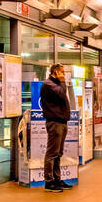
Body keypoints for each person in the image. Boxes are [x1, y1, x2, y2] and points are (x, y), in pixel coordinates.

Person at [40, 64, 73, 192]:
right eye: (62, 72)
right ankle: (49, 181)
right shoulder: (49, 84)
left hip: (62, 121)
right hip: (54, 122)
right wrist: (63, 82)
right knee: (52, 153)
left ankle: (57, 179)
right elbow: (60, 94)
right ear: (55, 72)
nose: (64, 74)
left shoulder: (57, 84)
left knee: (58, 153)